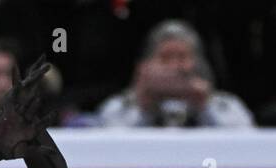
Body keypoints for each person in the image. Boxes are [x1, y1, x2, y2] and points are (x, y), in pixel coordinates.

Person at [96, 19, 254, 128]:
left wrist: (204, 107)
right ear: (144, 66)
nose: (174, 66)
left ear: (199, 64)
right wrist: (144, 106)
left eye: (182, 57)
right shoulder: (119, 107)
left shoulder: (226, 105)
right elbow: (105, 147)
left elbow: (246, 145)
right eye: (165, 58)